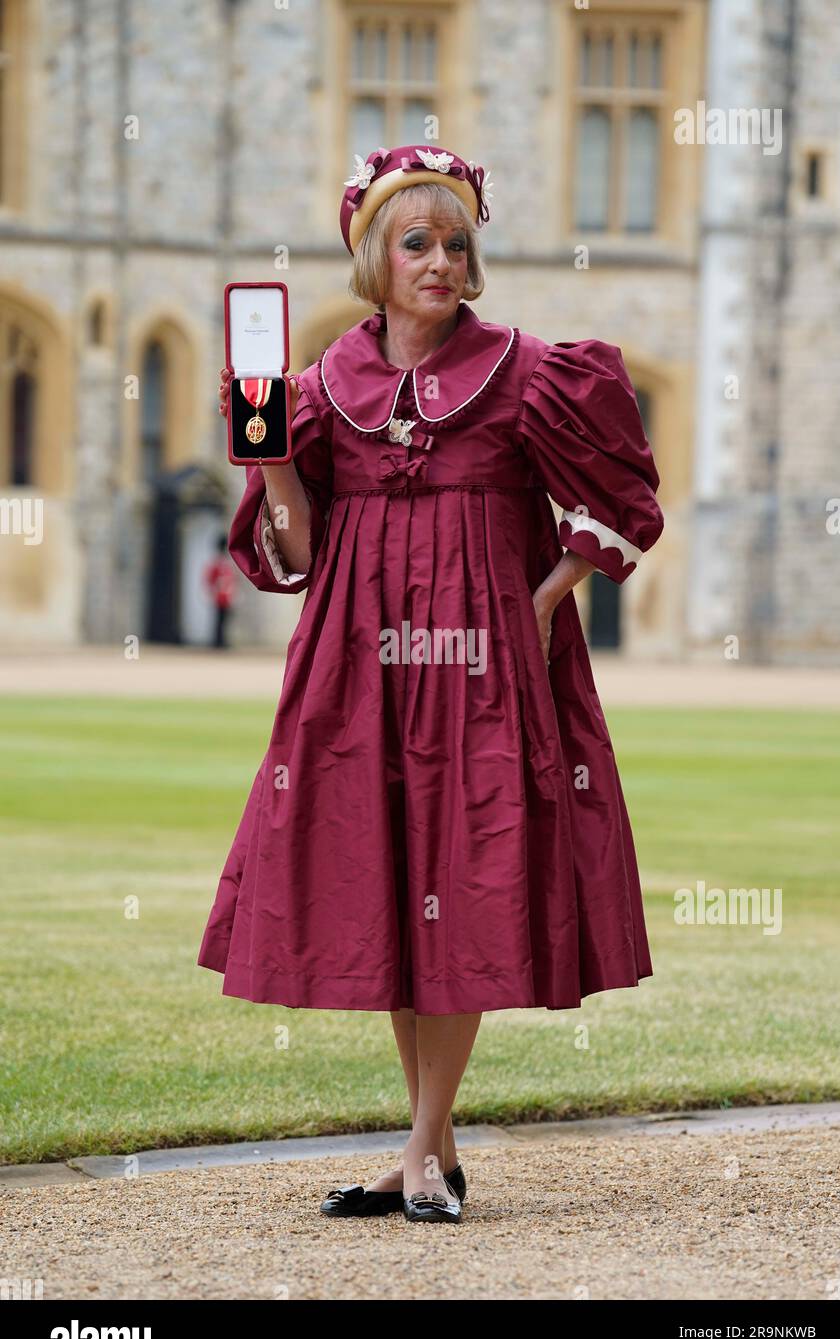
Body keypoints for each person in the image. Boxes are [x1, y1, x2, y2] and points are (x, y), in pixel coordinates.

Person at [197, 144, 664, 1224]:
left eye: (457, 243)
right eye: (417, 243)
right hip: (357, 662)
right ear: (374, 254)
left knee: (463, 882)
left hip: (482, 667)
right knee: (390, 881)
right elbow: (295, 551)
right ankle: (429, 1154)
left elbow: (621, 502)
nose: (441, 262)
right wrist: (266, 455)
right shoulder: (316, 388)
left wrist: (542, 603)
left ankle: (413, 1150)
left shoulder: (529, 371)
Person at [203, 533, 236, 649]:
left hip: (224, 596)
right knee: (219, 620)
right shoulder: (221, 563)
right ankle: (217, 642)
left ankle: (221, 641)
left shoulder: (223, 563)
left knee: (222, 620)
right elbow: (211, 580)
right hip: (220, 596)